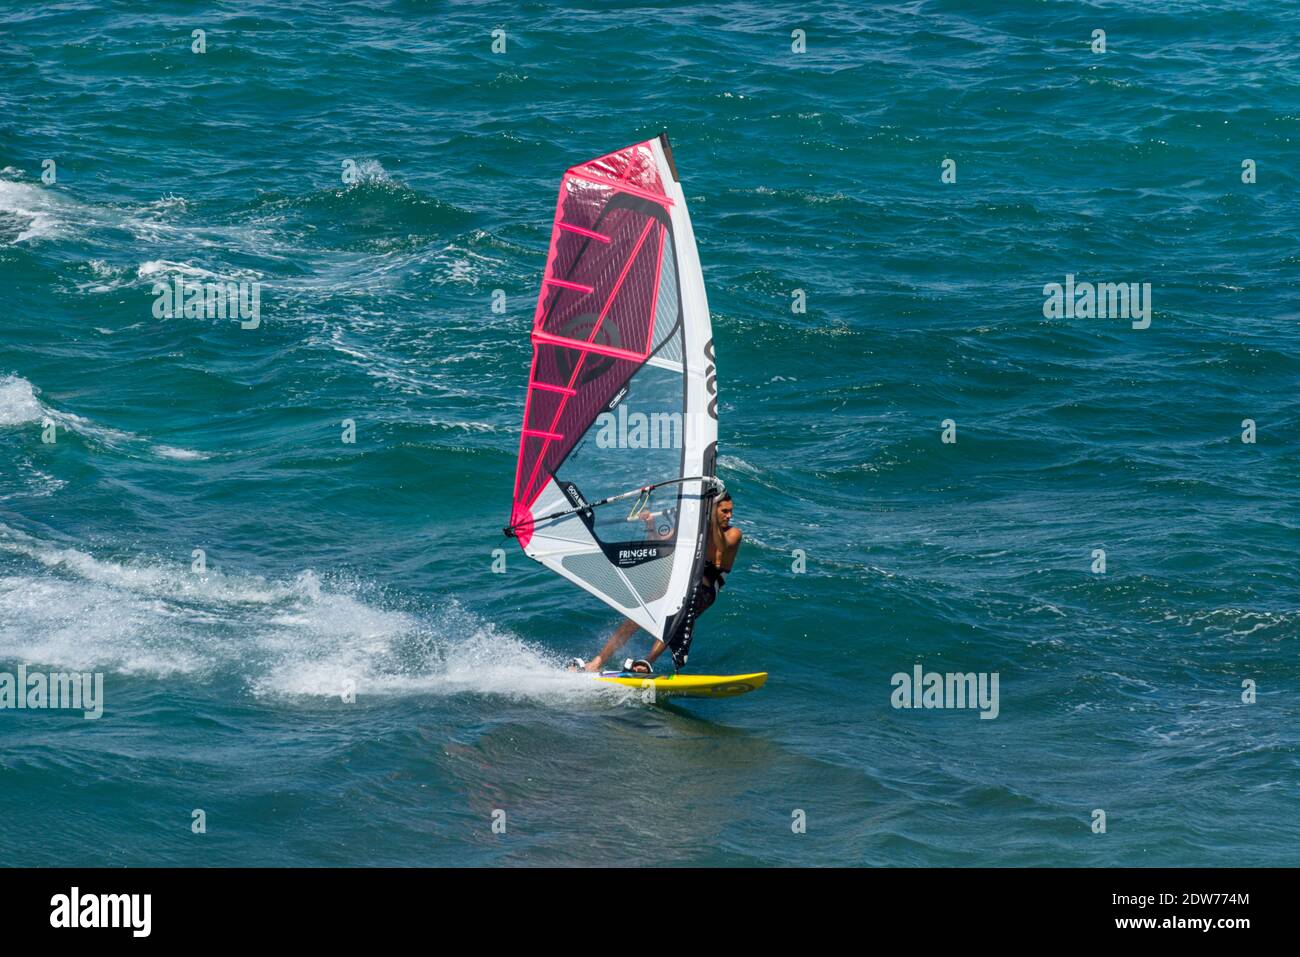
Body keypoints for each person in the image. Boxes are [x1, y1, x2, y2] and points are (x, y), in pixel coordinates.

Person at [572, 492, 741, 674]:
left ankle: (647, 662)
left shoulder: (734, 533)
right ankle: (597, 661)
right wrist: (650, 523)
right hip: (679, 582)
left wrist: (708, 515)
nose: (729, 515)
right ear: (714, 509)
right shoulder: (695, 527)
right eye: (725, 511)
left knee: (674, 619)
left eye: (730, 511)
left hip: (704, 589)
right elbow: (660, 544)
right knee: (635, 618)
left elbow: (721, 545)